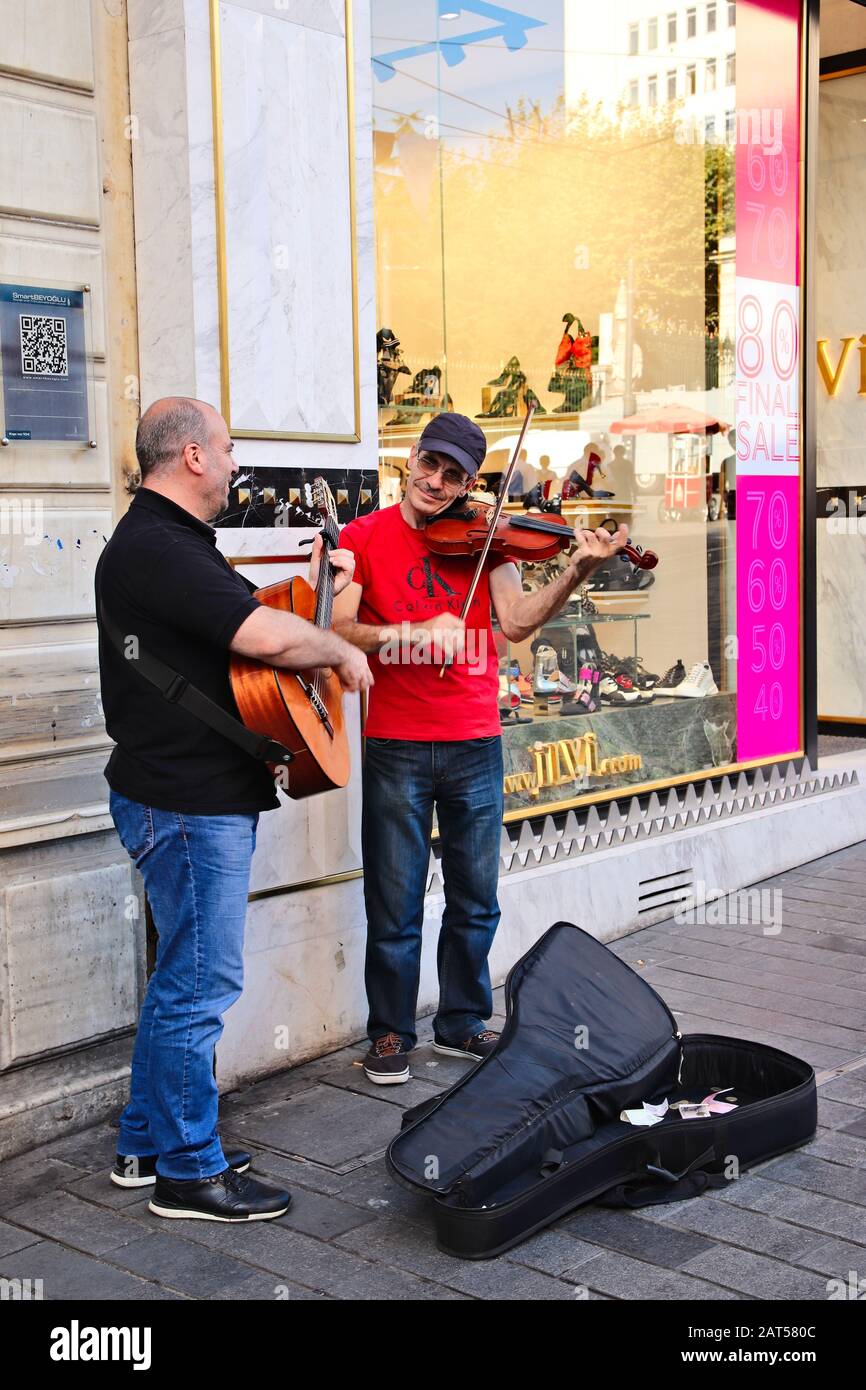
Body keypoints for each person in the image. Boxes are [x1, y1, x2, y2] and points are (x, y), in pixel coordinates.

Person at [96, 397, 371, 1221]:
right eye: (224, 449)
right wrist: (339, 650)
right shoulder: (156, 547)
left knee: (180, 978)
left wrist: (328, 594)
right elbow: (268, 640)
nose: (233, 463)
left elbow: (253, 635)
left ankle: (146, 1144)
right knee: (199, 983)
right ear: (191, 456)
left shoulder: (177, 543)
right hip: (184, 803)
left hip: (188, 793)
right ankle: (190, 1170)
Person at [333, 413, 626, 1083]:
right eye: (430, 465)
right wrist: (410, 633)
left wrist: (576, 570)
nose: (436, 483)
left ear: (469, 484)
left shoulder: (488, 539)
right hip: (396, 744)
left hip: (475, 740)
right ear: (412, 458)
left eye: (454, 476)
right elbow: (340, 630)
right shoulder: (362, 536)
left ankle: (462, 1022)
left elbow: (517, 624)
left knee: (475, 897)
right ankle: (390, 1031)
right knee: (395, 900)